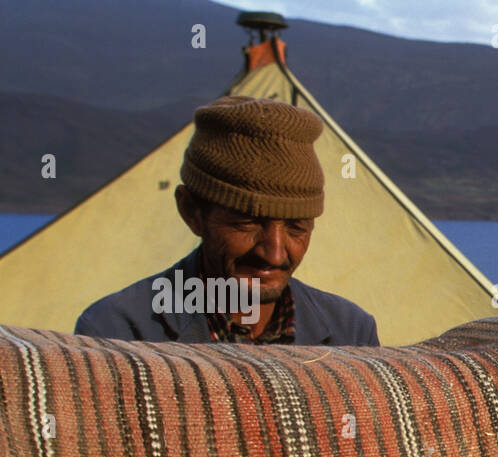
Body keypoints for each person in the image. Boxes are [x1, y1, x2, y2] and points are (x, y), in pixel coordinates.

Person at [75, 95, 379, 346]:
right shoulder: (117, 334)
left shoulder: (351, 334)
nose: (273, 253)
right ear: (192, 212)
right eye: (246, 223)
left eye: (296, 227)